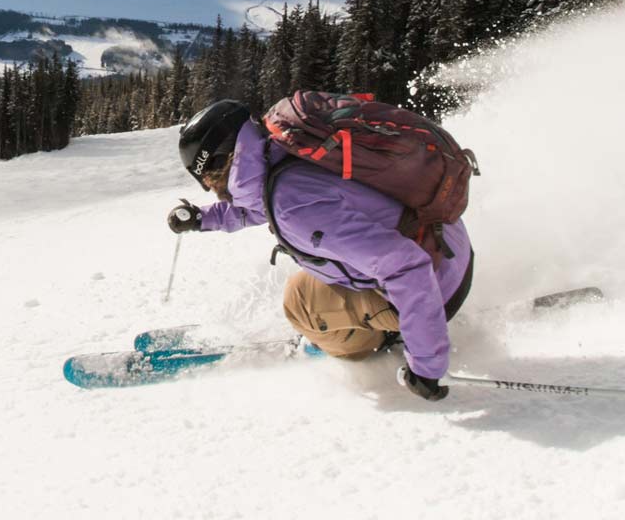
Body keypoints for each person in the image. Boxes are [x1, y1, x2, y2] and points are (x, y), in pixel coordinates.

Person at [168, 99, 474, 401]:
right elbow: (257, 206)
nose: (209, 187)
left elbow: (407, 266)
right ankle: (398, 320)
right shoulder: (284, 149)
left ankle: (378, 340)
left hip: (437, 282)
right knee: (310, 280)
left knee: (299, 303)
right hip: (447, 243)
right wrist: (202, 219)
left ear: (225, 160)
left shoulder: (294, 206)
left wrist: (427, 366)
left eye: (206, 177)